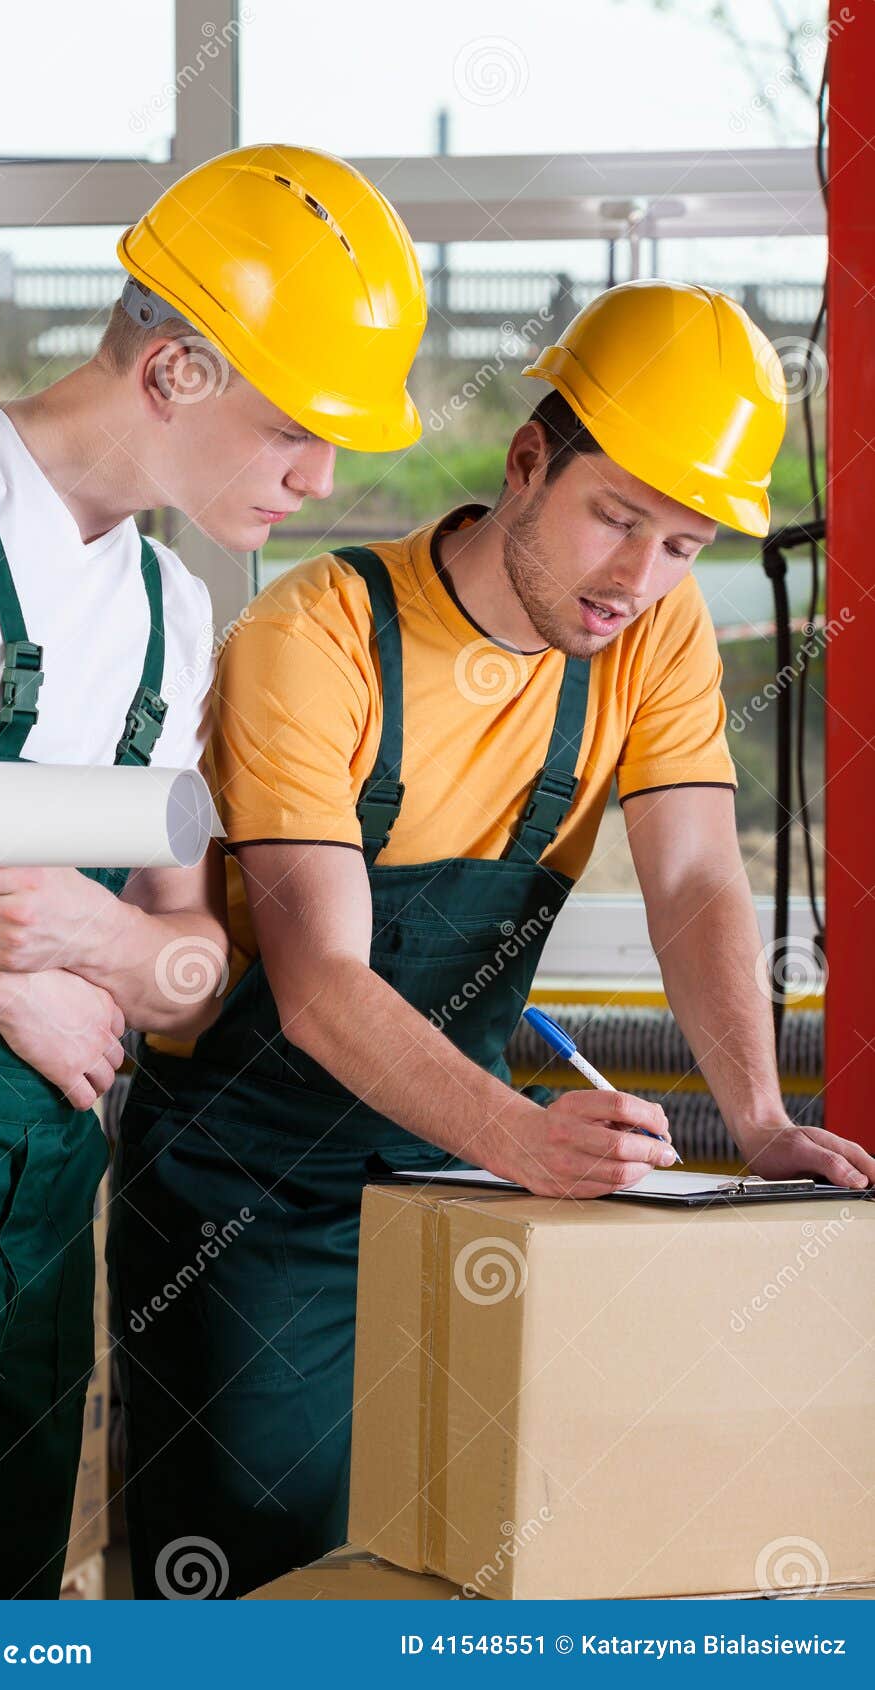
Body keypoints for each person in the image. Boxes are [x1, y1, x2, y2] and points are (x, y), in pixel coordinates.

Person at [107, 279, 875, 1600]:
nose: (638, 579)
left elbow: (692, 874)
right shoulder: (318, 634)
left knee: (465, 1564)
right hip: (249, 1200)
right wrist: (522, 1136)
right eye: (616, 518)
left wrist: (753, 1117)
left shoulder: (653, 634)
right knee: (246, 1578)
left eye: (685, 544)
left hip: (454, 1175)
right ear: (529, 461)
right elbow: (319, 983)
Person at [0, 141, 426, 1598]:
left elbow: (190, 966)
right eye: (297, 427)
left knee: (11, 1590)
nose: (321, 476)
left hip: (34, 1217)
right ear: (179, 373)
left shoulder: (165, 612)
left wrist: (104, 939)